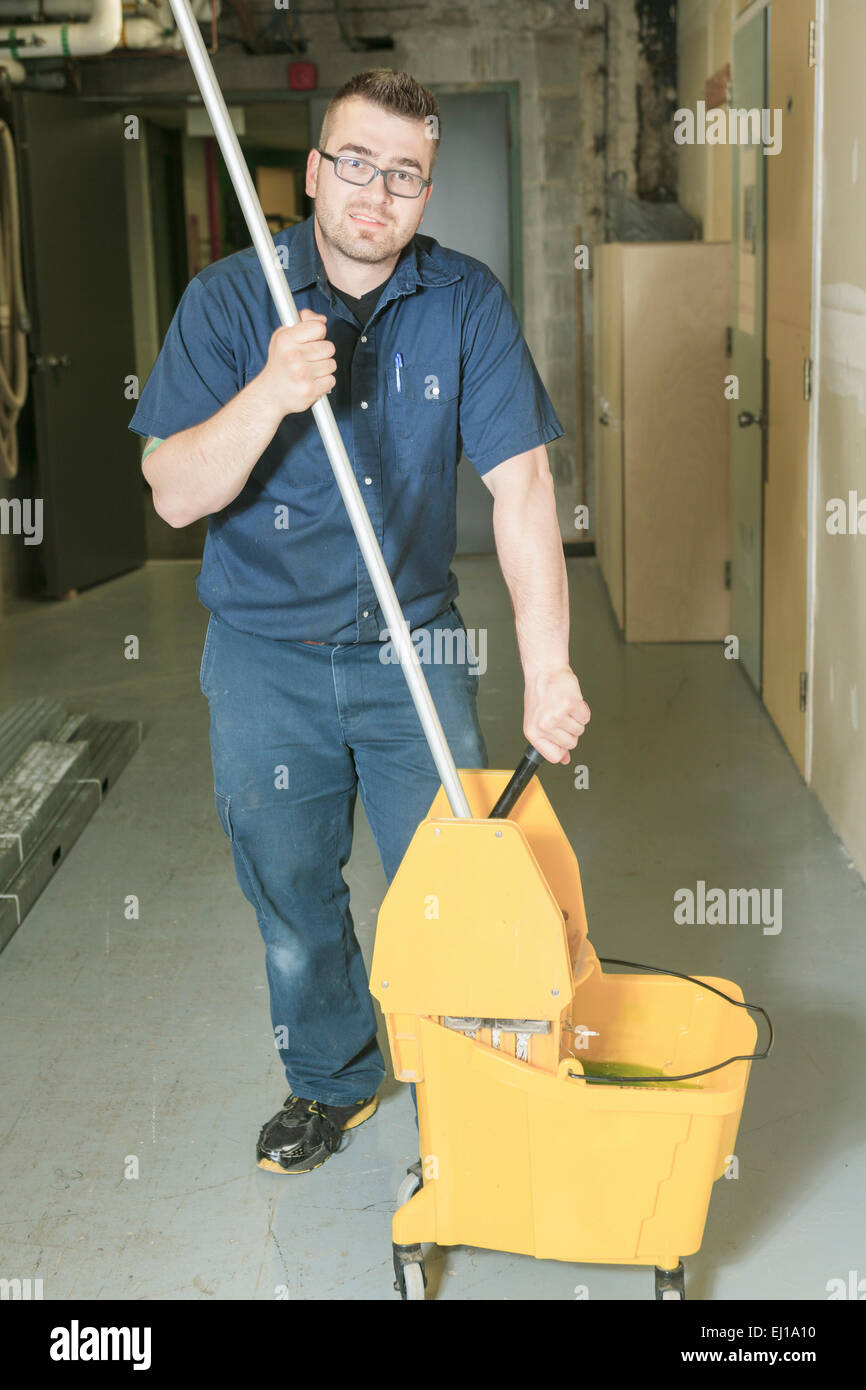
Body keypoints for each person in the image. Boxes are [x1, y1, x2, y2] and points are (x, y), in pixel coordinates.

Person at [129, 68, 590, 1175]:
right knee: (290, 893)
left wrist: (547, 668)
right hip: (261, 659)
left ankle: (473, 1093)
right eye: (354, 163)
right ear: (311, 173)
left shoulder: (464, 300)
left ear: (425, 192)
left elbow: (522, 491)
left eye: (404, 174)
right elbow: (174, 491)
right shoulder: (235, 300)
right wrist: (272, 393)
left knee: (460, 881)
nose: (374, 193)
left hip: (413, 647)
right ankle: (331, 1082)